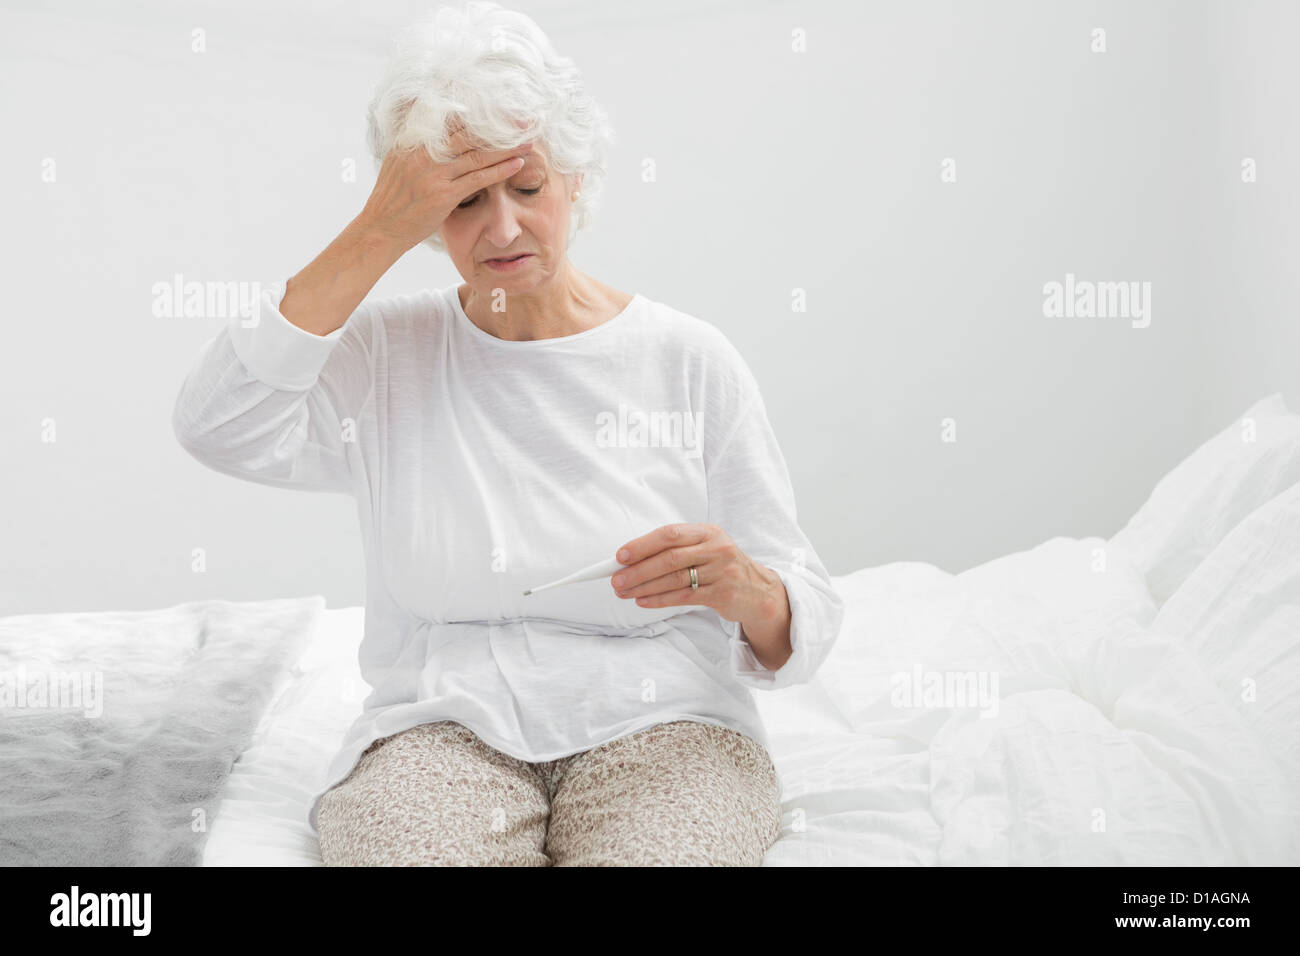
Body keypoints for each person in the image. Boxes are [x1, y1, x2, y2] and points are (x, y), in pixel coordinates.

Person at [172, 0, 844, 866]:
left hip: (667, 723)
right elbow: (215, 425)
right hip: (441, 732)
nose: (501, 229)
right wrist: (375, 229)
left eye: (526, 188)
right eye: (460, 201)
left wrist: (745, 588)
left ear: (575, 180)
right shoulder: (386, 352)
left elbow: (804, 617)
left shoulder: (685, 357)